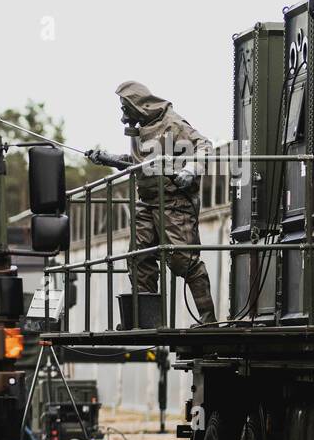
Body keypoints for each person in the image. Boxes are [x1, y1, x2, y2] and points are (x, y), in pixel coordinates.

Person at [87, 81, 217, 326]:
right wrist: (108, 158)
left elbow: (205, 146)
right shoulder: (141, 129)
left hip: (174, 202)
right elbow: (140, 162)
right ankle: (145, 319)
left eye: (126, 107)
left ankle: (208, 318)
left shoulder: (173, 123)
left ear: (141, 105)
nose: (123, 114)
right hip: (147, 203)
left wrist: (191, 168)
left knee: (182, 259)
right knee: (139, 257)